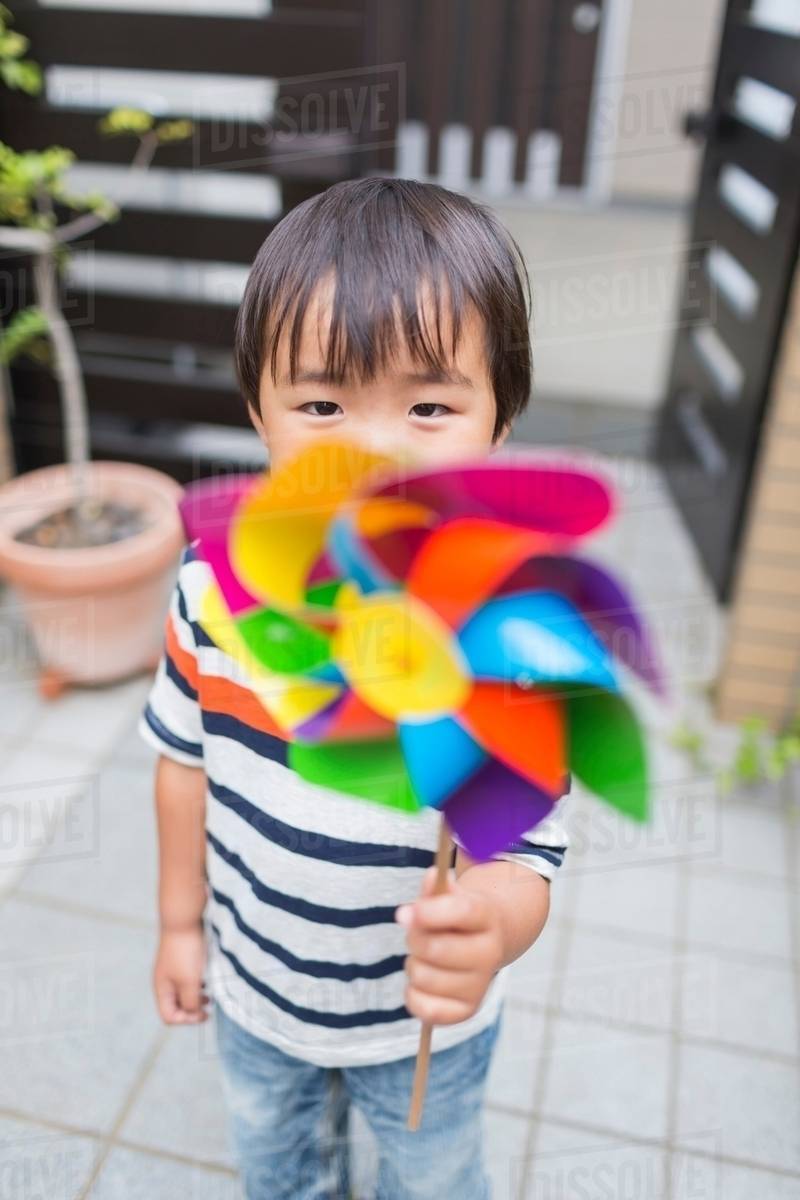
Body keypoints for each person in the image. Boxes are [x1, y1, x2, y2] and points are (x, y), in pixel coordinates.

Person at [139, 176, 569, 1200]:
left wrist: (494, 929)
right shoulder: (213, 593)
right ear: (258, 413)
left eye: (428, 406)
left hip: (419, 1020)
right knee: (278, 1170)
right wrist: (174, 924)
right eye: (322, 404)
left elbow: (524, 853)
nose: (372, 454)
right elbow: (180, 766)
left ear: (498, 421)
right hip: (256, 993)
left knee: (432, 1175)